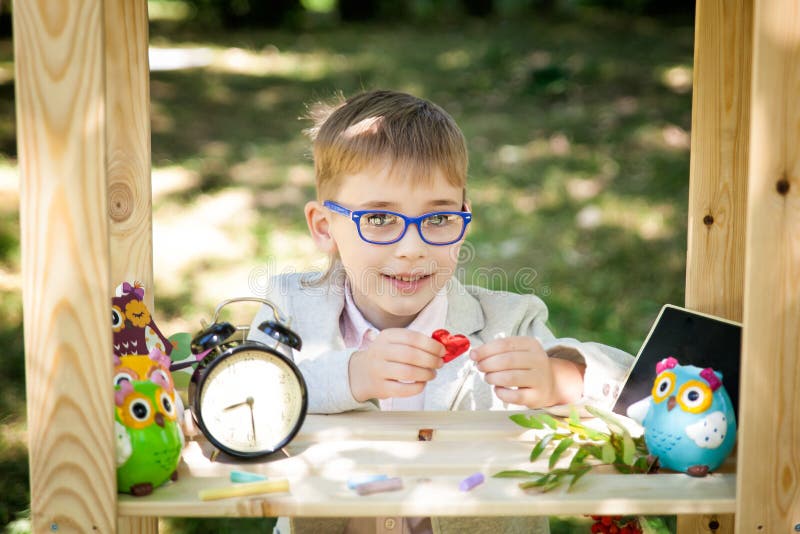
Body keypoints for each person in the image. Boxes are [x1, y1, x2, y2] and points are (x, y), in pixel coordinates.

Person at [248, 89, 633, 534]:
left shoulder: (507, 322)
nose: (412, 249)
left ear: (463, 219)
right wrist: (353, 375)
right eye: (378, 219)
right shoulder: (288, 311)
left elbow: (638, 388)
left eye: (438, 219)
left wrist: (560, 379)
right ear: (323, 227)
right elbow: (243, 405)